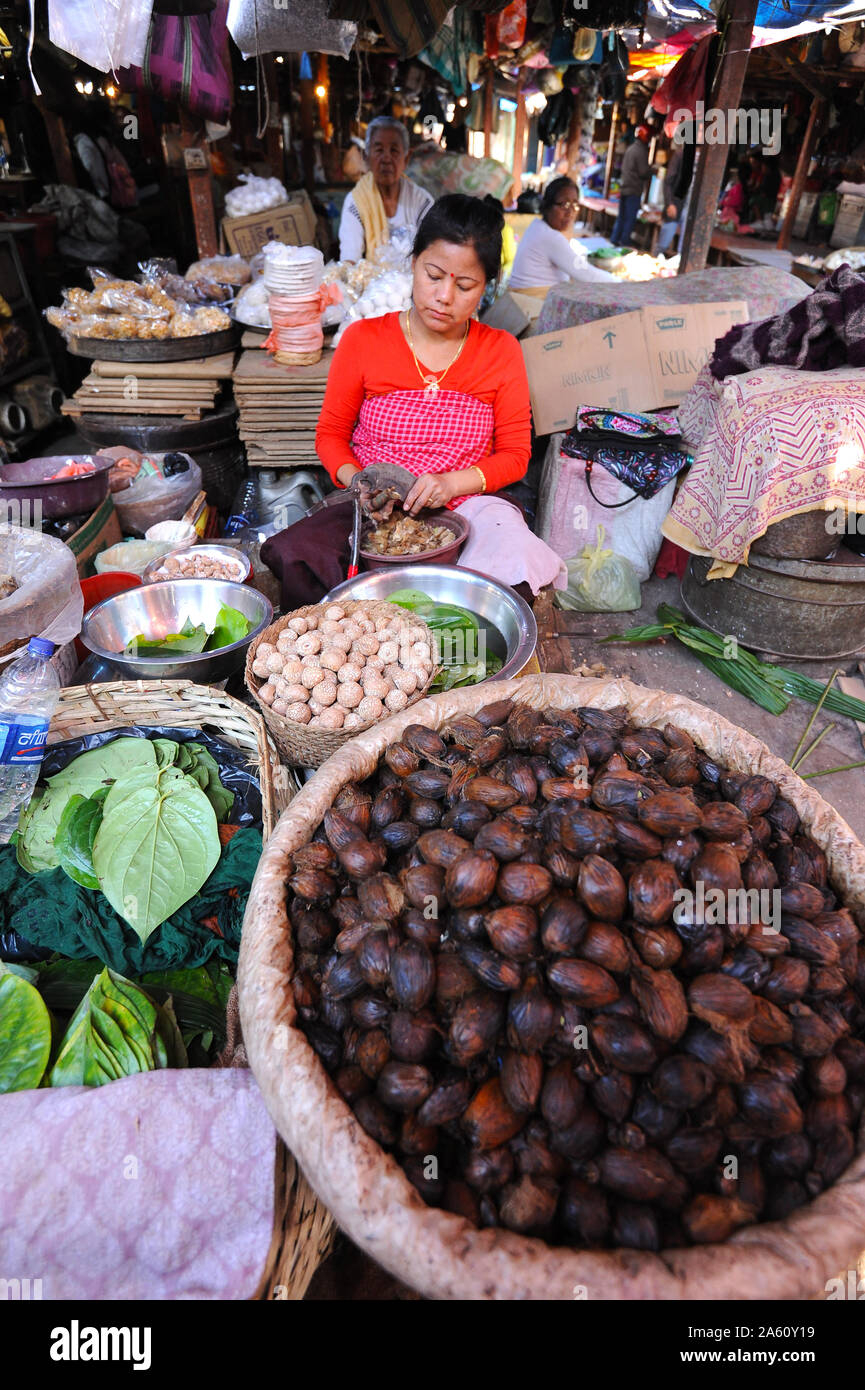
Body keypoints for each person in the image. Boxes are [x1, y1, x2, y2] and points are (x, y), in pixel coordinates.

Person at [262, 195, 566, 605]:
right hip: (374, 505)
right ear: (413, 262)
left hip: (469, 504)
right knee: (299, 556)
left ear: (487, 286)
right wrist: (358, 482)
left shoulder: (501, 350)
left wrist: (450, 484)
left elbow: (515, 455)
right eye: (433, 275)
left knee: (513, 572)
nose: (444, 296)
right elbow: (330, 436)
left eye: (464, 286)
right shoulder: (363, 340)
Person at [338, 116, 434, 263]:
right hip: (370, 284)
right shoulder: (356, 202)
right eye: (379, 150)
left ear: (406, 159)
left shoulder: (422, 202)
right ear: (366, 157)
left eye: (394, 150)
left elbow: (432, 254)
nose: (386, 158)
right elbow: (349, 258)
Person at [508, 176, 614, 292]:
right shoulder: (549, 237)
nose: (570, 212)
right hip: (531, 303)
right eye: (564, 205)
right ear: (547, 206)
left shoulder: (538, 227)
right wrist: (620, 283)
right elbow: (586, 274)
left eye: (575, 205)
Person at [610, 125, 654, 248]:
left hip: (625, 187)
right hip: (633, 189)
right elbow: (643, 171)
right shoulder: (640, 151)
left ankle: (615, 238)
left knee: (622, 217)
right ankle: (624, 242)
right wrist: (652, 170)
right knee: (629, 218)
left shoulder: (631, 148)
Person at [657, 145, 684, 254]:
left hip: (691, 207)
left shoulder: (705, 159)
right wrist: (670, 203)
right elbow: (668, 181)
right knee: (663, 243)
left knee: (684, 249)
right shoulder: (680, 154)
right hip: (676, 204)